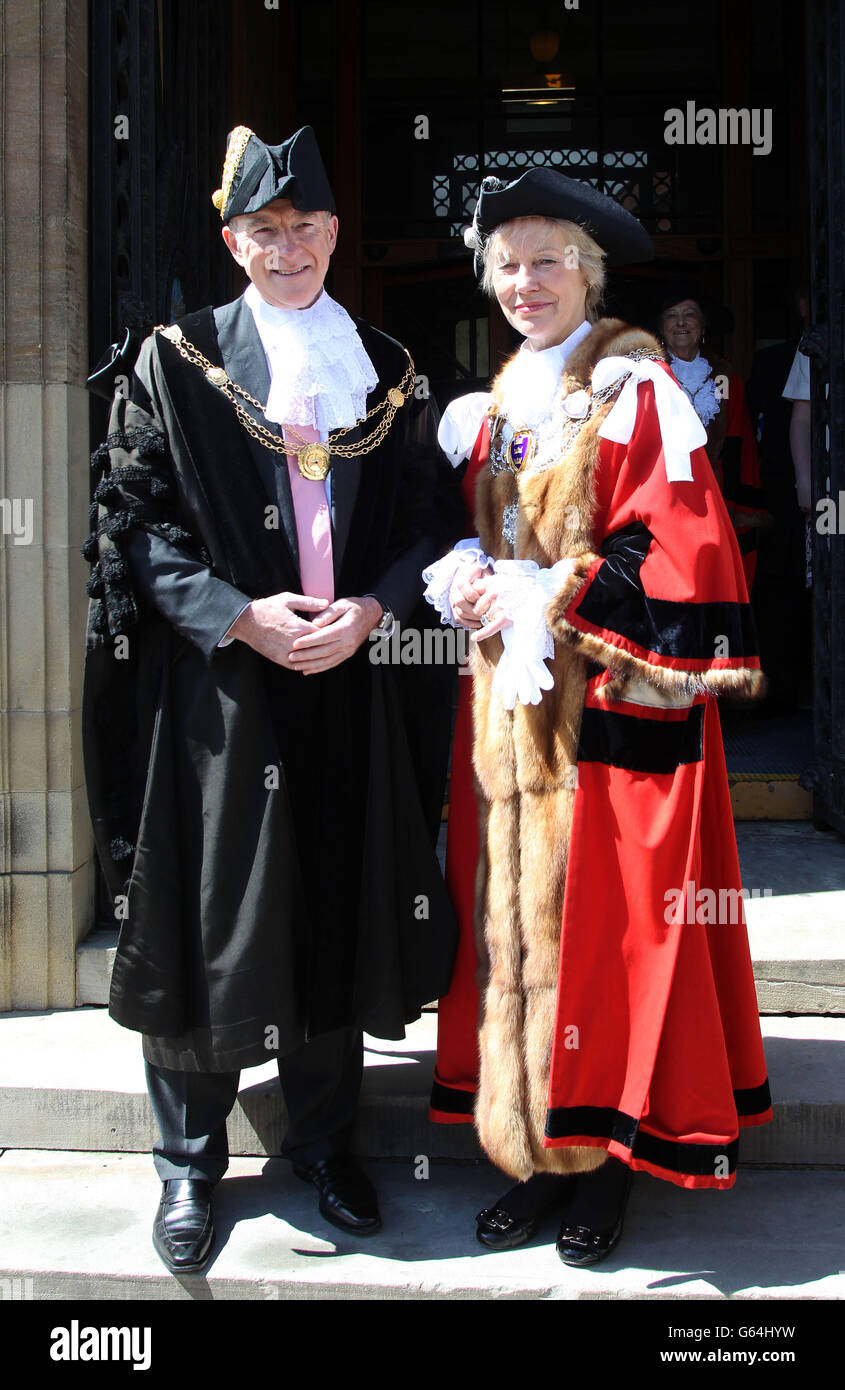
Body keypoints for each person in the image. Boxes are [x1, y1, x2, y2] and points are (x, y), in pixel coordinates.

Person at [82, 125, 459, 1274]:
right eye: (263, 229)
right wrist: (241, 614)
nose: (285, 246)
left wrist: (374, 611)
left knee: (333, 899)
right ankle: (189, 1164)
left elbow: (429, 528)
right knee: (210, 913)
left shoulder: (388, 369)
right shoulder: (174, 359)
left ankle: (326, 1144)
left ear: (335, 234)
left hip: (346, 687)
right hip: (223, 692)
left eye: (304, 227)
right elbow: (130, 528)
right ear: (230, 237)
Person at [423, 168, 772, 1266]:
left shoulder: (639, 390)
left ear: (588, 272)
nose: (525, 283)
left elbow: (678, 551)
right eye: (507, 266)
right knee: (510, 934)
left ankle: (606, 1160)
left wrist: (546, 593)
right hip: (506, 714)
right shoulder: (491, 401)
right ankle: (527, 1144)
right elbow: (491, 537)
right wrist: (468, 571)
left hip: (613, 712)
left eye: (547, 261)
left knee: (608, 936)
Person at [655, 284, 769, 592]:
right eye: (672, 315)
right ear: (661, 327)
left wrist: (734, 503)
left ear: (702, 327)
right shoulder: (648, 374)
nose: (680, 323)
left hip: (714, 493)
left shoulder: (723, 375)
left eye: (689, 315)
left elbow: (737, 439)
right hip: (664, 492)